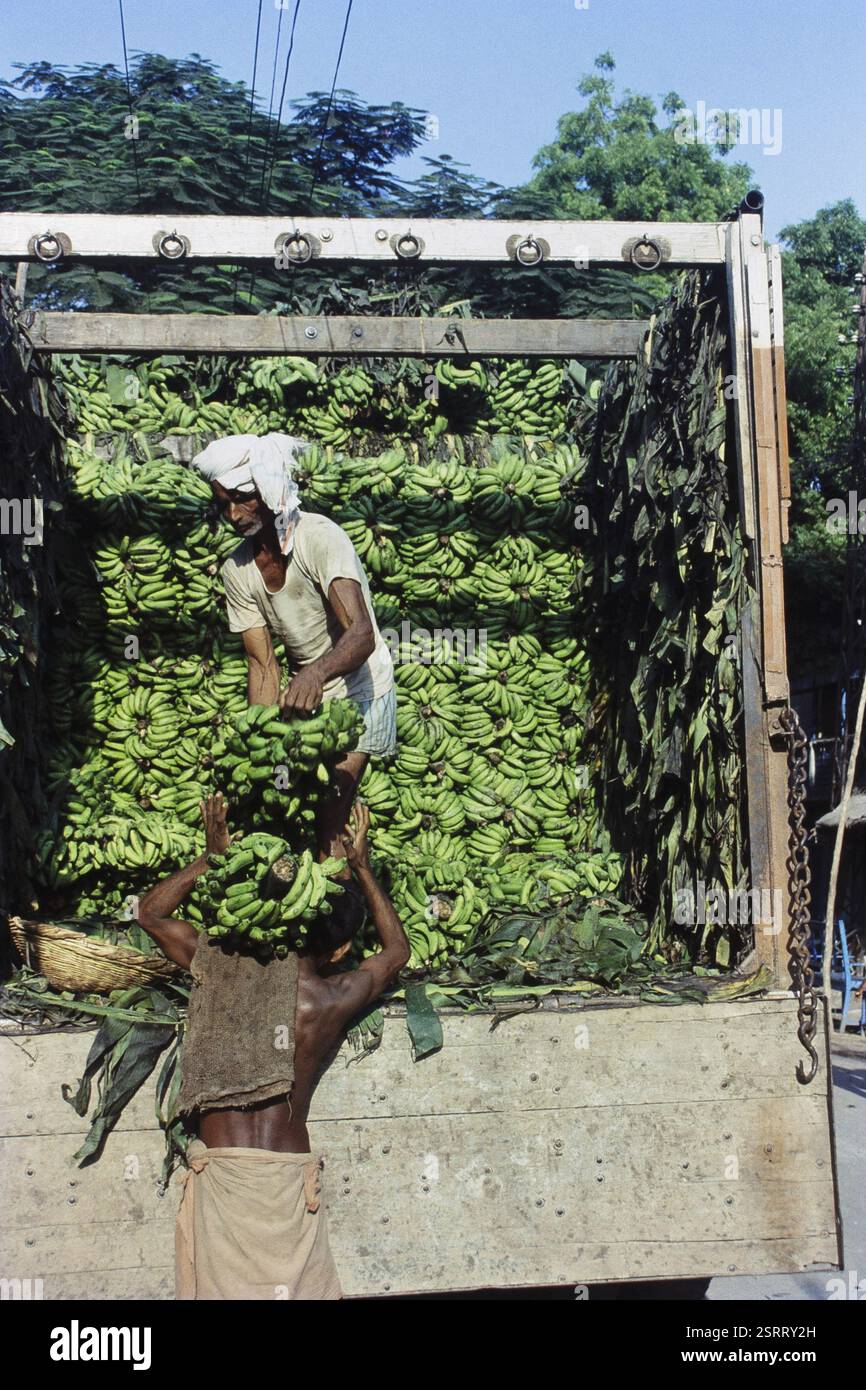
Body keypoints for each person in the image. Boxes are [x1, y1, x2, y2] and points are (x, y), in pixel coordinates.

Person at [136, 793, 410, 1301]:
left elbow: (148, 914)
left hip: (226, 1177)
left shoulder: (214, 962)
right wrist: (362, 868)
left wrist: (210, 858)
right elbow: (396, 952)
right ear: (341, 949)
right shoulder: (326, 1000)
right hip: (286, 1181)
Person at [191, 434, 396, 860]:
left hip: (360, 688)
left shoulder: (319, 538)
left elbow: (361, 635)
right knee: (279, 804)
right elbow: (263, 666)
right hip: (307, 693)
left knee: (329, 814)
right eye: (223, 503)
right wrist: (259, 737)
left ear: (267, 490)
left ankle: (341, 911)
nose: (233, 514)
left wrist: (317, 673)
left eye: (242, 498)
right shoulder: (238, 570)